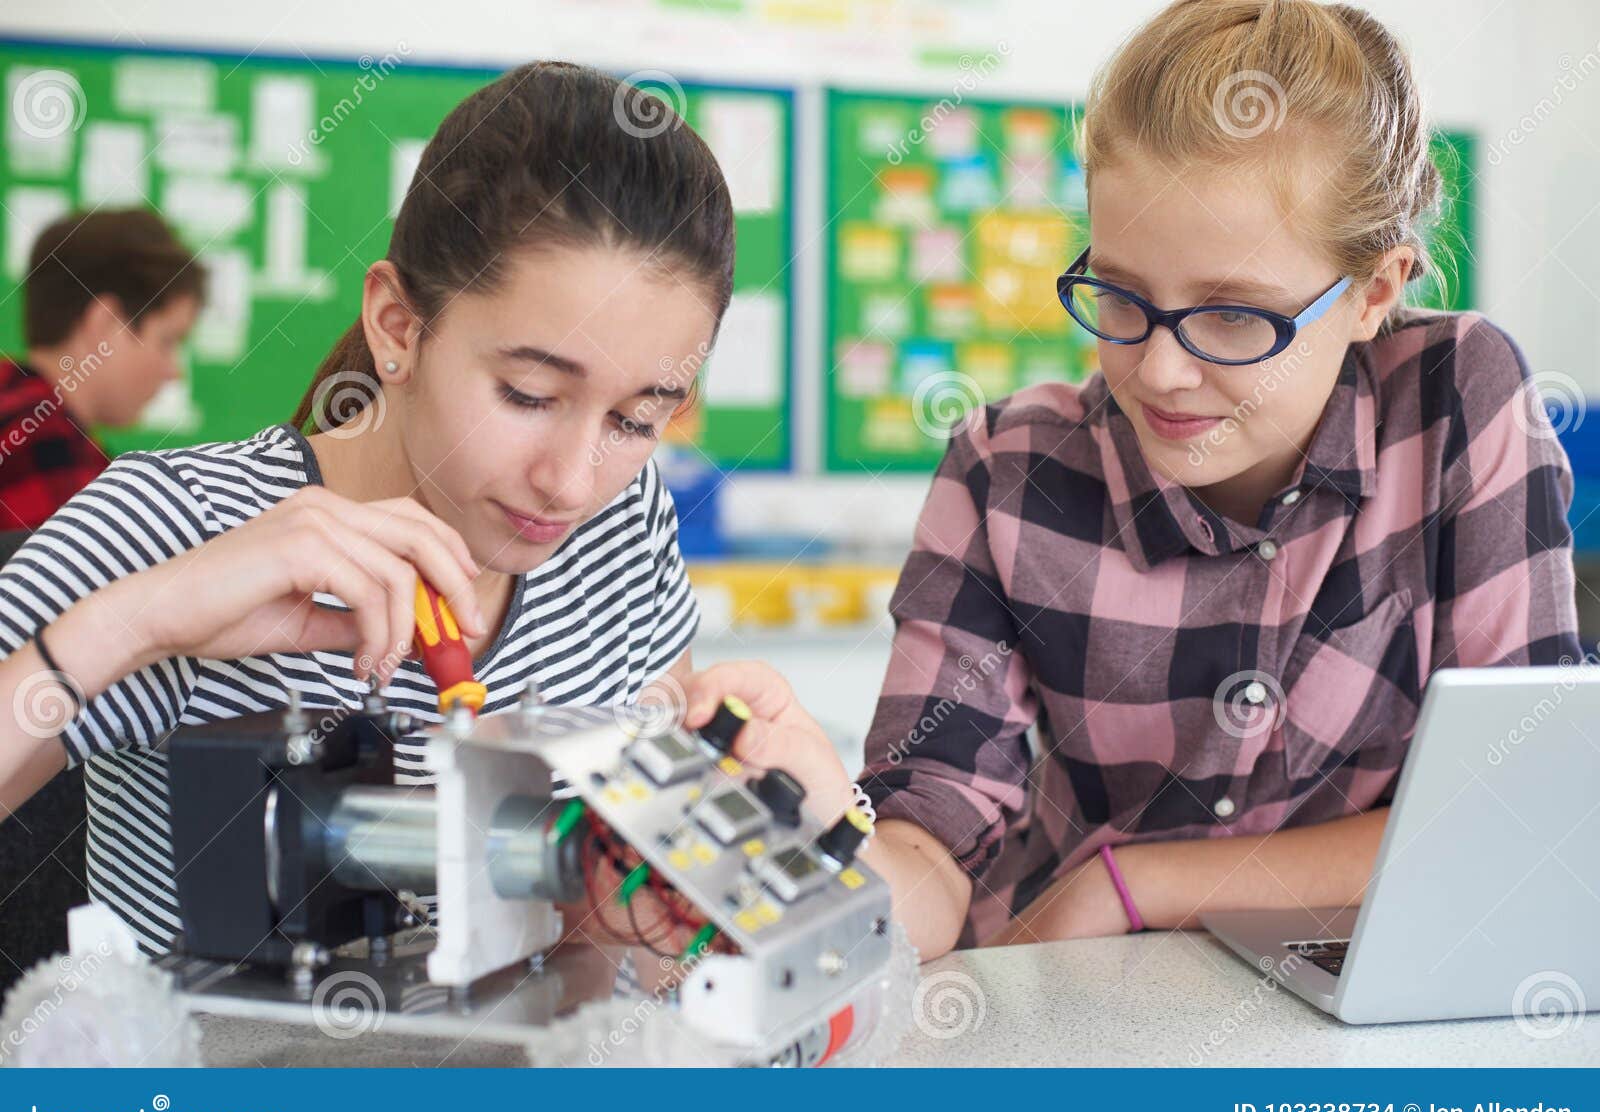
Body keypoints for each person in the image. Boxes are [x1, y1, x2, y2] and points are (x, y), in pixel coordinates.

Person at [684, 0, 1581, 961]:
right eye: (1119, 296)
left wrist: (1133, 883)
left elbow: (1518, 813)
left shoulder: (1455, 398)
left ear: (1375, 292)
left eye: (1236, 316)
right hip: (1080, 1005)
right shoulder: (1006, 469)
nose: (1159, 371)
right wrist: (829, 826)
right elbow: (930, 849)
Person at [0, 61, 732, 958]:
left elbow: (644, 911)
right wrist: (139, 620)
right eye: (529, 394)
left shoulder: (624, 522)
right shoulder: (179, 522)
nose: (573, 484)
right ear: (396, 326)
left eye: (637, 418)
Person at [0, 209, 204, 530]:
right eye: (167, 341)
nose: (173, 371)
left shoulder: (19, 410)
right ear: (106, 322)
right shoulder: (47, 447)